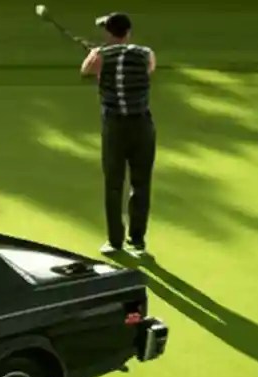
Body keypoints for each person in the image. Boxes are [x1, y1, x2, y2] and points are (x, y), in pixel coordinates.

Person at [80, 12, 157, 257]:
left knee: (114, 184)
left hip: (115, 127)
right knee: (141, 183)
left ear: (108, 33)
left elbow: (86, 71)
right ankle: (138, 241)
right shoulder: (146, 53)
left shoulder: (101, 55)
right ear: (128, 32)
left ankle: (115, 242)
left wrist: (94, 54)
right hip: (143, 126)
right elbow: (148, 71)